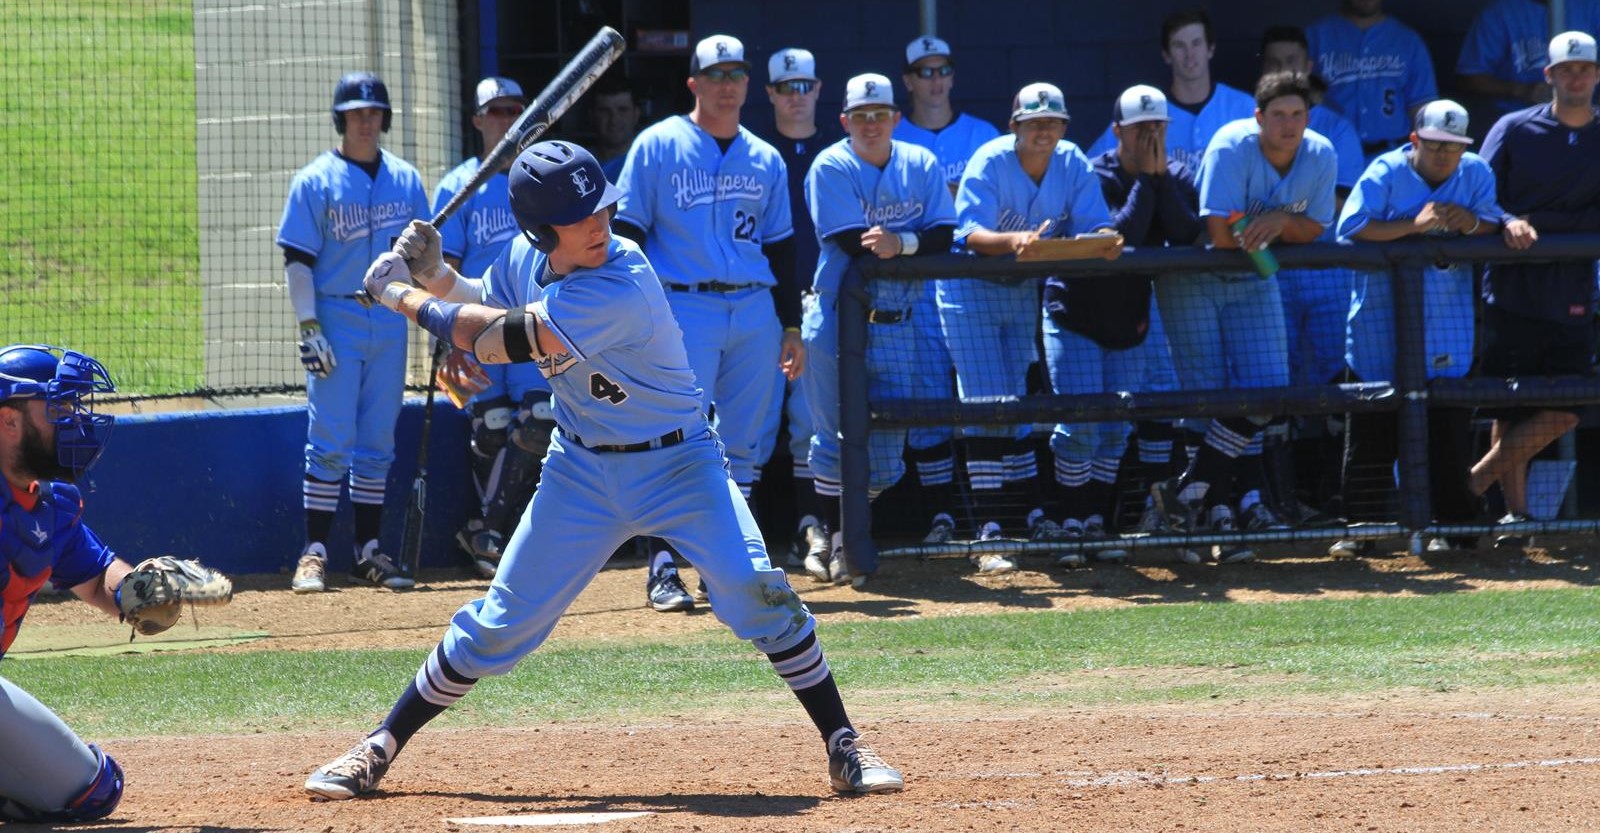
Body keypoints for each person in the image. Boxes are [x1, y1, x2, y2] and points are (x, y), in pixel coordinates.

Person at [306, 139, 903, 800]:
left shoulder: (620, 277)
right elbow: (483, 298)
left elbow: (497, 338)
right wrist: (437, 273)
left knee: (752, 587)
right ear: (538, 232)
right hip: (582, 472)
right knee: (500, 621)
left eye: (603, 208)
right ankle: (378, 745)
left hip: (681, 463)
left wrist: (396, 292)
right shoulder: (526, 260)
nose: (599, 224)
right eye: (579, 216)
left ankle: (844, 743)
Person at [613, 35, 804, 608]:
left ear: (748, 84)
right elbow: (630, 236)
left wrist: (791, 325)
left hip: (753, 308)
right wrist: (631, 312)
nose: (727, 84)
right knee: (673, 435)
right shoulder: (657, 145)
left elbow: (784, 249)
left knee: (745, 442)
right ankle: (664, 565)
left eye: (736, 74)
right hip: (682, 305)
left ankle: (726, 567)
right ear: (693, 83)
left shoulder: (764, 157)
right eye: (715, 74)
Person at [1150, 71, 1337, 565]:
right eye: (1278, 115)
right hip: (1194, 275)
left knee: (1268, 392)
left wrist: (1280, 222)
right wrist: (1276, 227)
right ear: (1259, 117)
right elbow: (1219, 233)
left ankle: (1184, 495)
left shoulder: (1319, 152)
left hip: (1255, 275)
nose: (1289, 124)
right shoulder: (1230, 144)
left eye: (1297, 115)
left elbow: (1315, 227)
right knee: (1205, 401)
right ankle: (1216, 520)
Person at [944, 82, 1122, 570]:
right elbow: (969, 233)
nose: (1043, 130)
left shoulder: (1072, 163)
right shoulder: (989, 160)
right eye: (1033, 122)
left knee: (1018, 403)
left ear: (1064, 126)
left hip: (1022, 291)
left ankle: (1028, 514)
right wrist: (1014, 239)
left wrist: (1106, 238)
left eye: (1052, 121)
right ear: (1015, 125)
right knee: (986, 404)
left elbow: (1095, 225)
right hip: (970, 292)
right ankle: (989, 531)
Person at [802, 73, 963, 582]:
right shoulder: (831, 163)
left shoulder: (921, 163)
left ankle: (846, 532)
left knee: (888, 457)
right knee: (832, 439)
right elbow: (852, 241)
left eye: (880, 115)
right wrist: (898, 240)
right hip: (833, 317)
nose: (871, 124)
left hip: (897, 323)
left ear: (896, 117)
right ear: (845, 120)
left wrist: (903, 243)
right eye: (861, 116)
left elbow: (944, 232)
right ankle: (842, 543)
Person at [1329, 100, 1504, 557]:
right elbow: (1349, 228)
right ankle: (1360, 529)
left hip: (1446, 324)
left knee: (1446, 432)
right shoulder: (1385, 172)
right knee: (1372, 433)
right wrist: (1413, 226)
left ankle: (1453, 528)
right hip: (1378, 327)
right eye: (1435, 145)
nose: (1445, 155)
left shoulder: (1475, 172)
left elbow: (1494, 222)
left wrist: (1472, 223)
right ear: (1415, 140)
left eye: (1453, 146)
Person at [278, 71, 429, 593]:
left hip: (391, 316)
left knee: (377, 440)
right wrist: (309, 324)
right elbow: (297, 260)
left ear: (384, 118)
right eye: (356, 113)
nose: (366, 121)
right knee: (330, 436)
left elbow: (424, 260)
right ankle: (314, 551)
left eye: (374, 112)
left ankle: (368, 551)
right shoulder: (315, 180)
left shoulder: (407, 180)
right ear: (340, 118)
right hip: (337, 317)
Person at [1469, 32, 1600, 547]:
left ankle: (1471, 483)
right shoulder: (1513, 128)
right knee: (1509, 407)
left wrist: (1543, 219)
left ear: (1596, 75)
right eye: (1566, 69)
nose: (1576, 77)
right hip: (1511, 288)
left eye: (1585, 68)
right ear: (1547, 75)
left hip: (1571, 290)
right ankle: (1515, 519)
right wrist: (1507, 220)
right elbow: (1479, 194)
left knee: (1569, 404)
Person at [0, 346, 134, 821]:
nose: (75, 422)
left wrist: (141, 591)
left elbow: (98, 576)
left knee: (95, 789)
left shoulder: (47, 504)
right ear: (9, 422)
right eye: (58, 409)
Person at [434, 76, 555, 580]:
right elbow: (443, 270)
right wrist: (446, 344)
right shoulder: (461, 184)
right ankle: (490, 536)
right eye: (497, 111)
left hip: (533, 324)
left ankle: (486, 528)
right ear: (479, 120)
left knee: (540, 418)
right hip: (478, 325)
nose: (508, 118)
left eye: (515, 109)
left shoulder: (541, 179)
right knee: (492, 425)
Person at [1260, 25, 1368, 523]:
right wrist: (1284, 219)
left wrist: (1283, 217)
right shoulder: (1249, 134)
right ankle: (1283, 500)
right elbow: (1235, 218)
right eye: (1277, 61)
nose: (1287, 69)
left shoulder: (1334, 130)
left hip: (1326, 273)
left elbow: (1341, 206)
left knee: (1329, 384)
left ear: (1308, 66)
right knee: (1275, 385)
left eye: (1294, 61)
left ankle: (1330, 499)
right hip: (1272, 275)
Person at [1088, 85, 1202, 541]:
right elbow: (1121, 237)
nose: (1151, 137)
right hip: (1099, 311)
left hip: (1161, 310)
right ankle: (1094, 519)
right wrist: (1148, 182)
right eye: (1140, 130)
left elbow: (1186, 233)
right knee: (1103, 418)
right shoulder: (1098, 173)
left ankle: (1152, 514)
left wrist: (1160, 181)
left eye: (1158, 127)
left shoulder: (1178, 173)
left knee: (1161, 407)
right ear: (1118, 132)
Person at [891, 36, 993, 545]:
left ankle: (994, 514)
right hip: (916, 296)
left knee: (985, 403)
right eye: (923, 72)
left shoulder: (983, 136)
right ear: (908, 80)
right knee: (928, 408)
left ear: (952, 76)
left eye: (941, 70)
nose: (933, 80)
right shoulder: (893, 136)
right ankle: (942, 516)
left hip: (976, 291)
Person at [753, 47, 837, 571]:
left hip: (819, 304)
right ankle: (753, 541)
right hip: (761, 306)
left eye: (804, 86)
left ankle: (812, 530)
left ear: (818, 90)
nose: (796, 96)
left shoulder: (837, 152)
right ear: (771, 94)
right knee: (754, 427)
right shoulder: (756, 154)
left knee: (811, 423)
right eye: (786, 88)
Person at [1086, 9, 1257, 172]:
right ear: (1166, 55)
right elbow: (1090, 168)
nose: (1189, 54)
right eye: (1179, 46)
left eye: (1196, 43)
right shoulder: (1146, 111)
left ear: (1210, 49)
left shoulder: (1243, 106)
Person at [1306, 0, 1438, 160]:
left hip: (1392, 153)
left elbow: (1421, 111)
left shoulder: (1408, 41)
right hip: (1330, 153)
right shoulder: (1315, 36)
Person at [1457, 0, 1600, 114]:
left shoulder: (1591, 7)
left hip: (1588, 117)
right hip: (1517, 117)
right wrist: (1521, 90)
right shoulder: (1501, 12)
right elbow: (1470, 77)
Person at [591, 79, 643, 182]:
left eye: (622, 110)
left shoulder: (648, 163)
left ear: (636, 114)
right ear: (592, 116)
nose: (614, 119)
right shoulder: (578, 166)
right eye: (605, 111)